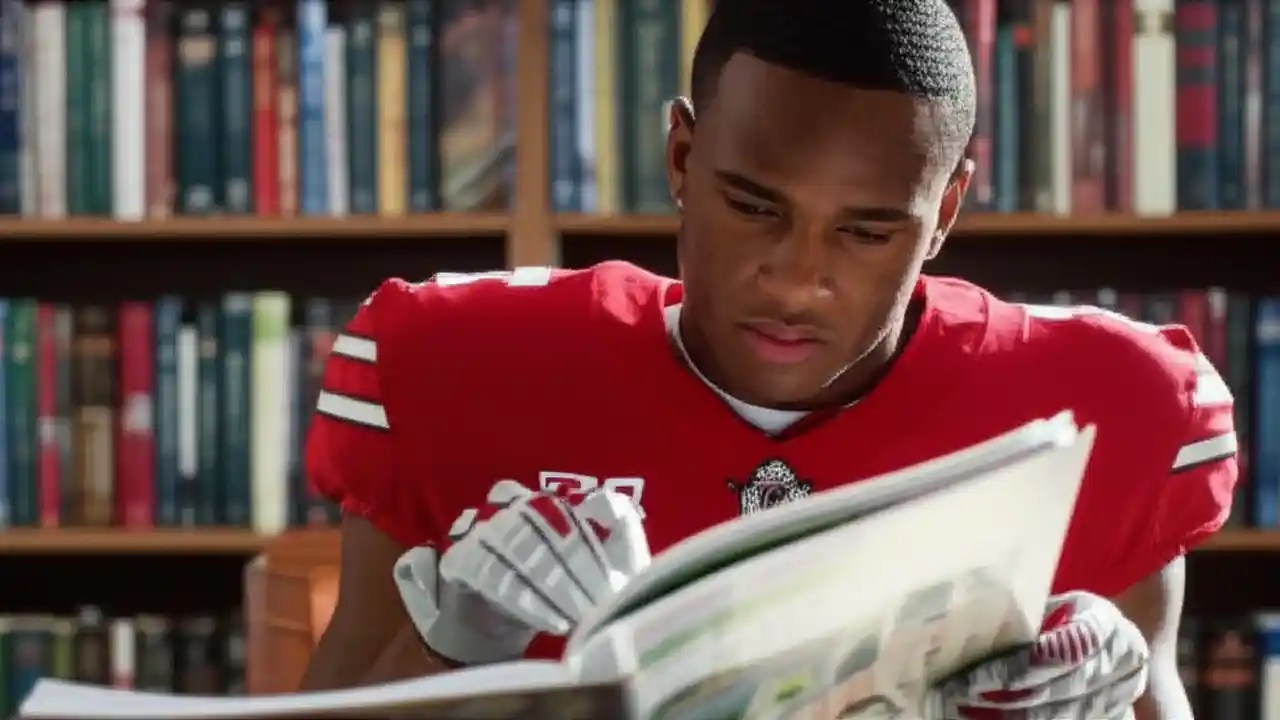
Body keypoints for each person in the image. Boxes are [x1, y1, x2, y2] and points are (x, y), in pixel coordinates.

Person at [297, 1, 1238, 718]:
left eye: (867, 231)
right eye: (753, 207)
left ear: (945, 211)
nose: (796, 281)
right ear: (681, 157)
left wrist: (1109, 687)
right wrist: (459, 637)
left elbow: (1149, 691)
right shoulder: (456, 360)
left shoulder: (1110, 402)